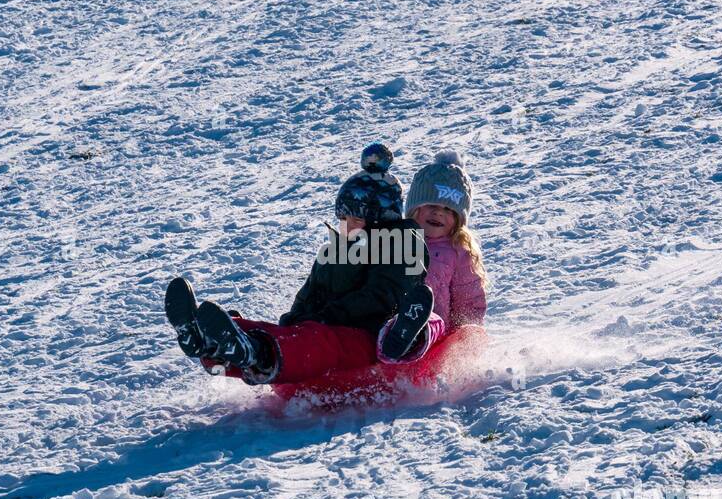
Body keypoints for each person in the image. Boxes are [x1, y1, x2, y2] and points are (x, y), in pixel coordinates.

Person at [164, 144, 432, 385]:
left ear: (379, 218)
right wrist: (294, 320)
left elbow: (383, 298)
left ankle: (253, 351)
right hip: (323, 332)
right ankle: (207, 343)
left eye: (355, 218)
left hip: (368, 340)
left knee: (316, 339)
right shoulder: (337, 248)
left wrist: (326, 316)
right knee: (284, 333)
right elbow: (309, 293)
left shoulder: (402, 242)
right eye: (344, 217)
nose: (346, 224)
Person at [376, 150, 487, 365]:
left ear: (458, 219)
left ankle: (413, 334)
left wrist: (463, 341)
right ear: (414, 208)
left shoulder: (458, 250)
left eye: (448, 210)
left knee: (430, 321)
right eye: (432, 206)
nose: (439, 213)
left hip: (434, 337)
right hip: (386, 324)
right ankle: (394, 341)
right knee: (391, 321)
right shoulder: (395, 238)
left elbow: (468, 299)